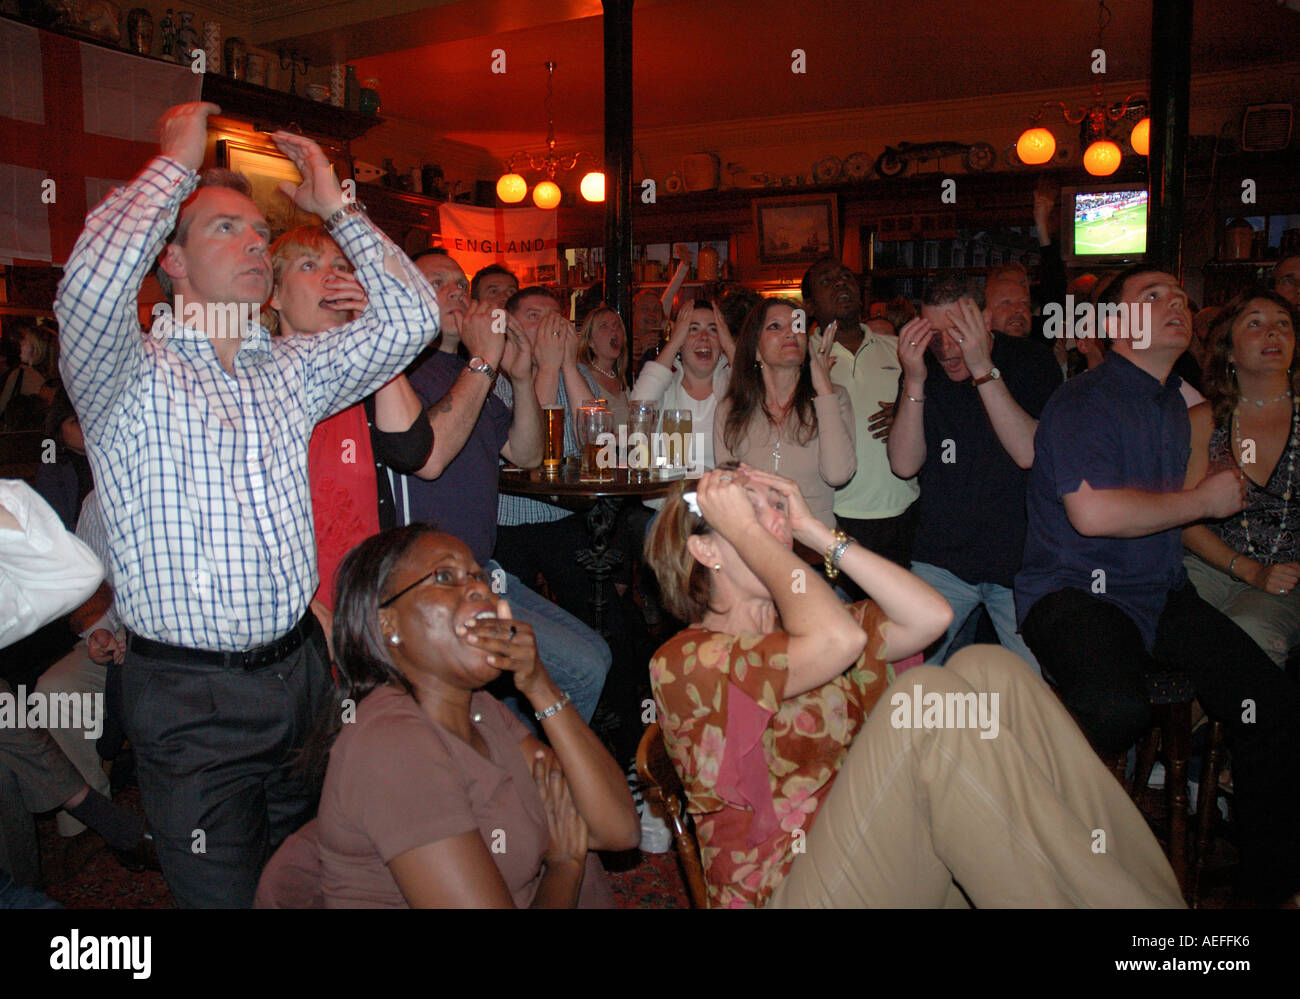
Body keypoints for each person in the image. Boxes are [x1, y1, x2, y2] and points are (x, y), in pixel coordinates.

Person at [54, 102, 442, 907]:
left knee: (306, 878)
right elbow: (88, 290)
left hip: (301, 674)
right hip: (191, 700)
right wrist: (171, 165)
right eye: (225, 229)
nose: (257, 242)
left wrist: (338, 206)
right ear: (172, 260)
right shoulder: (129, 374)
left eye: (260, 232)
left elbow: (414, 318)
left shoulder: (290, 368)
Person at [643, 464, 1184, 908]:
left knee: (989, 671)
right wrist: (747, 531)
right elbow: (836, 642)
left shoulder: (805, 631)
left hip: (877, 853)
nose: (775, 524)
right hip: (785, 891)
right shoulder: (685, 662)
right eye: (747, 512)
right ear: (707, 550)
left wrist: (815, 532)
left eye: (778, 507)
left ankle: (1153, 909)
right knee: (924, 701)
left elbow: (930, 616)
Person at [1015, 265, 1300, 904]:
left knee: (1273, 709)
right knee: (1117, 708)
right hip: (1074, 594)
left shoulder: (1175, 404)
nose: (1177, 300)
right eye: (1153, 296)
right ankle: (1026, 831)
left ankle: (1267, 898)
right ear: (1114, 325)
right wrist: (1199, 502)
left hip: (1157, 594)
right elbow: (1094, 512)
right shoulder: (1086, 399)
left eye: (1179, 293)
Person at [287, 526, 638, 907]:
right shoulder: (392, 745)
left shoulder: (480, 709)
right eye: (444, 576)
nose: (479, 589)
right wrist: (565, 867)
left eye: (478, 577)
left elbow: (617, 828)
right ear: (387, 624)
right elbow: (577, 847)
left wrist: (540, 685)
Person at [268, 225, 435, 650]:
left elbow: (412, 451)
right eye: (309, 266)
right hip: (290, 611)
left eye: (341, 268)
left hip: (366, 603)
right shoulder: (255, 379)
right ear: (274, 295)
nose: (332, 278)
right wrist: (300, 602)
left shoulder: (359, 377)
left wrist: (375, 335)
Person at [888, 273, 1059, 669]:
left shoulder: (1031, 360)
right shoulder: (924, 369)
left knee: (1031, 698)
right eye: (933, 335)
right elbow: (903, 464)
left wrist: (982, 367)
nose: (945, 349)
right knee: (906, 685)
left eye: (956, 333)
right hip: (941, 561)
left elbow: (1028, 452)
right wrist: (914, 379)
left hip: (1020, 564)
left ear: (983, 322)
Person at [0, 480, 155, 897]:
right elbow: (89, 598)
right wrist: (98, 633)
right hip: (120, 640)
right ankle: (86, 822)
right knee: (52, 688)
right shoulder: (97, 503)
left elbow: (73, 577)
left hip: (172, 645)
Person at [1182, 289, 1300, 668]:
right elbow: (1185, 521)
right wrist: (1249, 570)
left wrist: (1271, 572)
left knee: (1248, 633)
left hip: (1288, 574)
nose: (1273, 332)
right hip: (1211, 564)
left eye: (1283, 323)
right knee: (1159, 621)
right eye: (1255, 323)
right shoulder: (1204, 420)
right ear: (1229, 352)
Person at [801, 256, 919, 569]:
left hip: (900, 512)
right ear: (810, 306)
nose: (841, 283)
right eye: (827, 281)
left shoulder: (898, 349)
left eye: (846, 278)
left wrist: (908, 413)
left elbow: (935, 414)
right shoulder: (801, 360)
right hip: (831, 516)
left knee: (892, 616)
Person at [714, 299, 855, 529]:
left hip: (815, 545)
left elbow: (838, 475)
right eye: (775, 326)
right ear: (756, 348)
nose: (790, 333)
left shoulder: (833, 398)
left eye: (797, 326)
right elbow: (728, 487)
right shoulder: (731, 408)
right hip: (757, 545)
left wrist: (824, 391)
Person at [630, 298, 734, 475]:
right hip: (669, 499)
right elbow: (638, 406)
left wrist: (729, 343)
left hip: (723, 499)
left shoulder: (734, 387)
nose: (704, 337)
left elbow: (761, 391)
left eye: (713, 330)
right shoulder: (663, 387)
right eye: (692, 329)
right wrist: (674, 340)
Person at [576, 305, 631, 430]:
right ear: (590, 341)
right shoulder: (584, 379)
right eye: (604, 326)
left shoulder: (621, 381)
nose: (613, 331)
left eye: (617, 325)